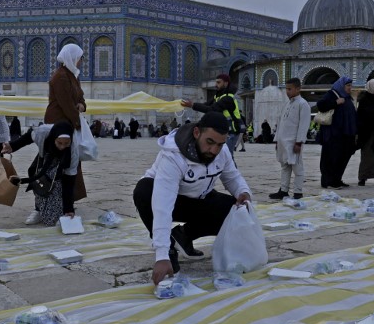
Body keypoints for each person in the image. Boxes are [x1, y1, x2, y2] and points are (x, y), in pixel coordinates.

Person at [132, 112, 251, 285]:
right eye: (209, 142)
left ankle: (184, 235)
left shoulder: (222, 151)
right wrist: (162, 255)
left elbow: (232, 177)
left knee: (235, 210)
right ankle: (170, 249)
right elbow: (162, 204)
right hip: (167, 198)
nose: (214, 150)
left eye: (219, 144)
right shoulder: (173, 156)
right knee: (143, 191)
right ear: (197, 133)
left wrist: (243, 192)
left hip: (200, 198)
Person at [3, 121, 79, 226]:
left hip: (63, 160)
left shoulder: (74, 151)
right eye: (59, 143)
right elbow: (29, 136)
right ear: (54, 138)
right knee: (40, 182)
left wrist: (69, 209)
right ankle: (38, 210)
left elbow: (69, 182)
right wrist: (13, 146)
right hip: (46, 156)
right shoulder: (43, 132)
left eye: (66, 143)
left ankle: (62, 213)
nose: (62, 146)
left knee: (56, 184)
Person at [45, 43, 88, 202]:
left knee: (70, 162)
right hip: (58, 124)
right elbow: (66, 104)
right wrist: (78, 124)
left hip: (68, 123)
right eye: (80, 58)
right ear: (72, 57)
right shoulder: (60, 77)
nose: (81, 61)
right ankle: (50, 199)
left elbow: (80, 98)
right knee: (57, 163)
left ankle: (67, 199)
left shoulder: (73, 75)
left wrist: (82, 105)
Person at [180, 73, 244, 155]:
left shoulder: (228, 98)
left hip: (232, 131)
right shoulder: (218, 97)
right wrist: (191, 105)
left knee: (227, 156)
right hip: (224, 130)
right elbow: (206, 105)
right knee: (221, 156)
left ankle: (231, 168)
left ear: (226, 83)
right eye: (216, 82)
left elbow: (212, 109)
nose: (216, 85)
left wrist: (192, 105)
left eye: (218, 82)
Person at [269, 78, 311, 200]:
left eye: (289, 89)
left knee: (297, 167)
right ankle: (283, 190)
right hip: (283, 142)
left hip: (293, 142)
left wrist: (299, 142)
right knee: (285, 166)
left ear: (298, 89)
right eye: (286, 89)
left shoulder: (303, 104)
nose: (287, 91)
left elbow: (304, 125)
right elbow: (280, 122)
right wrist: (277, 140)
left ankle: (298, 192)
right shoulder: (287, 104)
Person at [315, 76, 357, 190]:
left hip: (345, 134)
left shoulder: (347, 98)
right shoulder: (332, 94)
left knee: (342, 158)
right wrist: (335, 102)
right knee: (331, 158)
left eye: (350, 86)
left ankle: (337, 179)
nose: (350, 88)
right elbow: (320, 105)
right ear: (341, 85)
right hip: (333, 134)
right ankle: (328, 181)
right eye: (348, 86)